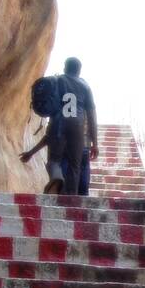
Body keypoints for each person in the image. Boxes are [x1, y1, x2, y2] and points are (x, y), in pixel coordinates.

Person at [55, 57, 98, 195]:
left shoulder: (57, 81)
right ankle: (73, 201)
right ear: (79, 70)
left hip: (59, 130)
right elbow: (91, 116)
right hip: (79, 133)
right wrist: (95, 142)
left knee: (58, 164)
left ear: (65, 67)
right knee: (76, 167)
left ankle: (58, 198)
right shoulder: (85, 86)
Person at [19, 120, 65, 195]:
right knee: (57, 182)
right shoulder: (57, 117)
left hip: (68, 162)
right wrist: (30, 153)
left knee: (63, 187)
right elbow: (47, 138)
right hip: (55, 161)